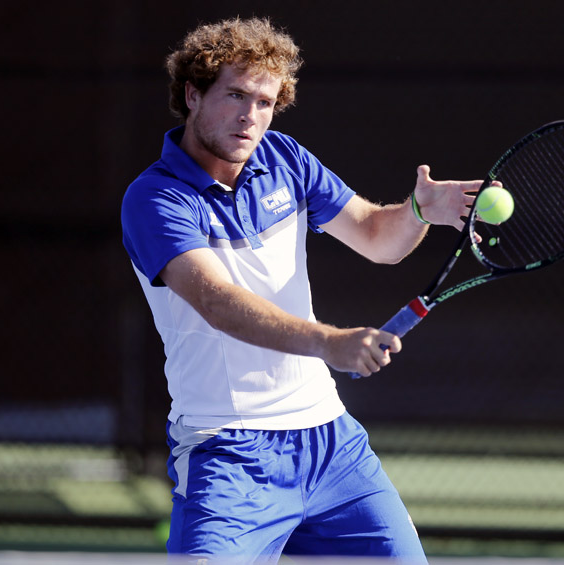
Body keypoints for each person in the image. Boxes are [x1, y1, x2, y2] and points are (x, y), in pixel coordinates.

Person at [121, 16, 485, 562]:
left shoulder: (284, 160)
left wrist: (417, 211)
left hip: (332, 447)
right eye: (236, 95)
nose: (251, 116)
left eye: (266, 102)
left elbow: (374, 235)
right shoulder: (156, 199)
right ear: (193, 96)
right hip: (228, 450)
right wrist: (330, 343)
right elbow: (218, 302)